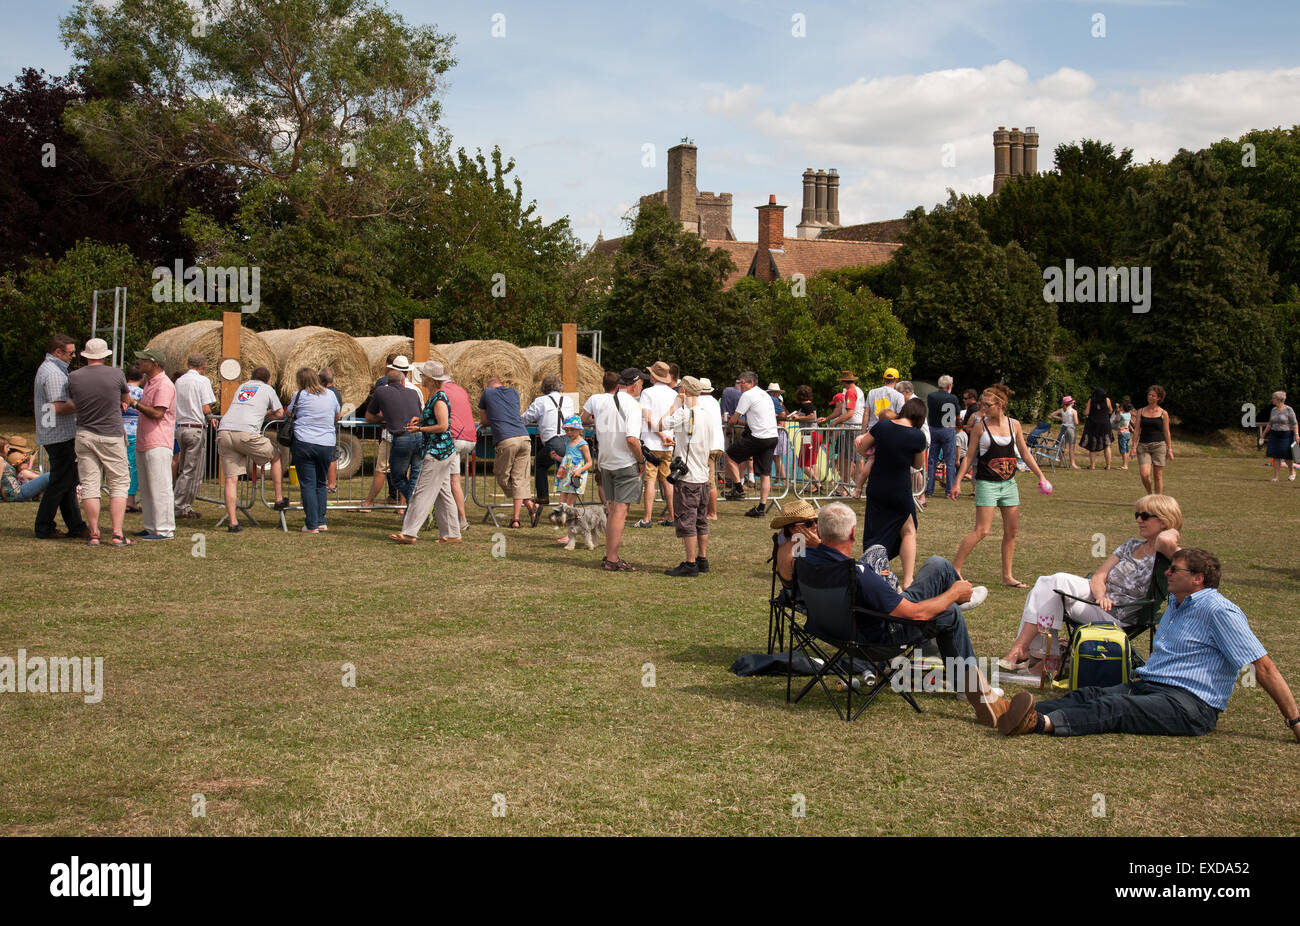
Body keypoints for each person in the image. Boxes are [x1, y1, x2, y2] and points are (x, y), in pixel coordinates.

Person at [998, 548, 1300, 741]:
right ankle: (1010, 712)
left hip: (1191, 705)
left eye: (1174, 570)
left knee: (1114, 706)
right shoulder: (1176, 603)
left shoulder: (1219, 611)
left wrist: (1295, 720)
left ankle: (1040, 723)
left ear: (1198, 579)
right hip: (1152, 686)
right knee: (1089, 693)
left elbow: (1264, 667)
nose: (1166, 573)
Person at [804, 503, 1006, 725]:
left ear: (820, 531)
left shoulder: (806, 560)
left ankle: (958, 594)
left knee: (937, 564)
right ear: (852, 533)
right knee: (950, 612)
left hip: (836, 631)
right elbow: (916, 614)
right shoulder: (859, 575)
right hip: (878, 639)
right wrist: (951, 595)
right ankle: (966, 684)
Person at [997, 494, 1183, 671]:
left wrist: (1171, 529)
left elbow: (1166, 539)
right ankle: (1033, 653)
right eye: (1137, 515)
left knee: (1049, 590)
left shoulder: (1170, 555)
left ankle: (1034, 653)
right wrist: (1101, 596)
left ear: (1164, 521)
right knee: (1049, 582)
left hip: (1118, 616)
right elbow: (1099, 576)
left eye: (1145, 516)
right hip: (1098, 601)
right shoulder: (1131, 545)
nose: (1138, 520)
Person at [948, 384, 1052, 589]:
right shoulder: (980, 426)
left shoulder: (1015, 425)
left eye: (987, 405)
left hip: (1009, 484)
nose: (983, 409)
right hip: (987, 483)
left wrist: (1041, 476)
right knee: (982, 531)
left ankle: (1007, 576)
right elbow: (969, 456)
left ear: (1000, 405)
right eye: (981, 405)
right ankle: (954, 570)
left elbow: (1024, 453)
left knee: (1011, 532)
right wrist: (958, 481)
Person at [63, 338, 131, 546]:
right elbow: (126, 400)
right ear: (104, 355)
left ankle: (94, 532)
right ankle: (117, 533)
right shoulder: (116, 374)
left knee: (89, 485)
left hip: (84, 434)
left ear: (85, 355)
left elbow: (73, 401)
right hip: (111, 434)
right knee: (118, 483)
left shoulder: (73, 377)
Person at [858, 396, 928, 588]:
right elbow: (918, 464)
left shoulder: (883, 426)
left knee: (874, 531)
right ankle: (908, 579)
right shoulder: (917, 436)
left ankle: (872, 570)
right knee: (909, 531)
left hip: (878, 487)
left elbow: (863, 448)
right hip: (900, 489)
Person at [391, 361, 461, 544]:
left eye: (423, 375)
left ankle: (409, 532)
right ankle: (452, 534)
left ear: (430, 379)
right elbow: (435, 420)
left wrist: (420, 429)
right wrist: (421, 419)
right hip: (443, 452)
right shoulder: (435, 396)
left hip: (438, 453)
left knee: (421, 493)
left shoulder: (439, 398)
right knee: (443, 494)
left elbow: (443, 426)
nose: (421, 377)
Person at [582, 368, 643, 571]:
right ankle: (612, 558)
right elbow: (632, 439)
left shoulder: (601, 400)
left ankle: (610, 555)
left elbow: (586, 418)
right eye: (641, 384)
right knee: (619, 511)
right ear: (634, 385)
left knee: (612, 509)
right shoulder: (633, 405)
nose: (642, 387)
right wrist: (642, 460)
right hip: (624, 462)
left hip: (606, 461)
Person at [661, 376, 721, 577]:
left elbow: (662, 423)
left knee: (687, 521)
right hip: (703, 475)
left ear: (684, 392)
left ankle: (690, 563)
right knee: (701, 520)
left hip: (688, 478)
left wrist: (676, 404)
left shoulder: (684, 413)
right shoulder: (706, 413)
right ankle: (702, 559)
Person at [215, 366, 288, 532]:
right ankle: (278, 498)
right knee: (276, 456)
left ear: (251, 377)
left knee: (231, 480)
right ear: (268, 380)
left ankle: (233, 523)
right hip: (246, 432)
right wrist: (265, 414)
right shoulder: (268, 389)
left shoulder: (242, 386)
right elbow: (279, 413)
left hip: (224, 431)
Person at [33, 334, 89, 540]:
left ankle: (76, 526)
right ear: (58, 352)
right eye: (71, 352)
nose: (74, 356)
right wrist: (85, 402)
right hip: (59, 435)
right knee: (60, 483)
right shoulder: (54, 373)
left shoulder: (52, 370)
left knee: (67, 483)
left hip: (56, 433)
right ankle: (44, 526)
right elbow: (58, 406)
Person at [361, 355, 423, 510]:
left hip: (396, 437)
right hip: (418, 436)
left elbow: (369, 417)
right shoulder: (415, 391)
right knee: (413, 475)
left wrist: (385, 417)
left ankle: (418, 506)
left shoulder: (382, 390)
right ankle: (409, 507)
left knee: (392, 474)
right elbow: (420, 414)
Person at [129, 347, 177, 541]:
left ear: (154, 363)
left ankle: (165, 529)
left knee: (161, 486)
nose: (139, 363)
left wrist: (134, 403)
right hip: (145, 441)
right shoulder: (150, 383)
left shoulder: (164, 385)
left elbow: (158, 413)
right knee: (147, 487)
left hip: (158, 441)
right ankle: (151, 526)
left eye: (143, 360)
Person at [286, 367, 342, 533]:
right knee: (320, 483)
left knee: (308, 484)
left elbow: (288, 413)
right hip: (326, 442)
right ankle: (321, 520)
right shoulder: (330, 394)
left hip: (304, 441)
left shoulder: (299, 395)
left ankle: (311, 524)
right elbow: (337, 415)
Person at [478, 376, 538, 529]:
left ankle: (527, 505)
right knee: (519, 479)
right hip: (524, 438)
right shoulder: (514, 392)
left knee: (501, 475)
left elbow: (484, 420)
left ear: (489, 385)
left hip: (506, 439)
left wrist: (495, 419)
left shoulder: (487, 393)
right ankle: (518, 517)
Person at [725, 371, 780, 517]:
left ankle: (738, 488)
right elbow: (753, 419)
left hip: (759, 437)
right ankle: (761, 508)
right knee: (765, 474)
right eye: (740, 382)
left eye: (742, 382)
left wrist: (729, 420)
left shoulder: (747, 395)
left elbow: (734, 419)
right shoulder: (764, 395)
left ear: (751, 383)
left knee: (729, 455)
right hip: (772, 436)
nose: (740, 385)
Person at [173, 354, 217, 519]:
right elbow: (205, 406)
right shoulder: (202, 381)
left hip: (181, 427)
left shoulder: (179, 381)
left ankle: (184, 505)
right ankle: (178, 506)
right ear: (204, 365)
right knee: (192, 470)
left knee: (185, 468)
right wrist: (211, 417)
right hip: (195, 427)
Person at [636, 361, 678, 528]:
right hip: (668, 442)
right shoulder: (673, 394)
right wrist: (665, 436)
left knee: (650, 481)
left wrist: (660, 434)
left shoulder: (647, 393)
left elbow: (647, 418)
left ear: (653, 376)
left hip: (652, 442)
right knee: (667, 480)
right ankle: (673, 516)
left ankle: (647, 518)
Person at [522, 373, 574, 507]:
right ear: (559, 387)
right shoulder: (568, 400)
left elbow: (527, 418)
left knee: (540, 463)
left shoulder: (541, 401)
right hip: (570, 441)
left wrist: (513, 420)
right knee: (568, 471)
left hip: (554, 442)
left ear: (543, 388)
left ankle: (543, 496)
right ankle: (568, 503)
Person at [442, 366, 477, 532]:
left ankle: (459, 519)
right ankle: (459, 519)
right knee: (454, 479)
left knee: (450, 480)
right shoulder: (461, 390)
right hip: (470, 437)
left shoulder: (440, 391)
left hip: (454, 438)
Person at [769, 499, 822, 592]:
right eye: (809, 523)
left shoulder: (790, 545)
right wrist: (821, 546)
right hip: (808, 599)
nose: (816, 526)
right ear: (793, 529)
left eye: (816, 521)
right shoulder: (799, 555)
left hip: (793, 597)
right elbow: (837, 567)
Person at [1135, 384, 1174, 494]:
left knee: (1158, 476)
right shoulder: (1140, 411)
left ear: (1159, 398)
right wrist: (1133, 446)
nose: (1150, 397)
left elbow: (1167, 432)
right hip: (1143, 446)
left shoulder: (1163, 413)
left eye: (1153, 395)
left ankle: (1158, 500)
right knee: (1144, 474)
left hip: (1159, 445)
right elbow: (1137, 430)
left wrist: (1169, 449)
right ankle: (1150, 494)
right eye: (1149, 394)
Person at [553, 414, 593, 520]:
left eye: (572, 430)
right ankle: (569, 519)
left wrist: (580, 470)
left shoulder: (583, 444)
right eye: (567, 430)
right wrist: (557, 457)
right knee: (562, 501)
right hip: (566, 475)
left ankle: (572, 521)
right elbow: (567, 460)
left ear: (579, 429)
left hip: (575, 476)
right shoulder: (568, 442)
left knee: (570, 503)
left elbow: (589, 463)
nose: (569, 433)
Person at [926, 375, 960, 498]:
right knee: (950, 461)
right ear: (949, 386)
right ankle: (949, 490)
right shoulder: (953, 398)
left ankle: (929, 490)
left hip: (934, 429)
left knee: (932, 461)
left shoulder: (931, 396)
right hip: (947, 429)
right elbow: (956, 414)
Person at [697, 377, 726, 520]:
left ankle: (712, 513)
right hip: (717, 444)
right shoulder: (714, 401)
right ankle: (706, 510)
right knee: (707, 479)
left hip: (707, 445)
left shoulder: (699, 401)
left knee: (709, 481)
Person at [122, 363, 144, 512]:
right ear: (142, 376)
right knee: (134, 467)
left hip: (119, 430)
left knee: (121, 466)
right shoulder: (142, 393)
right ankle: (130, 499)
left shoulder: (120, 391)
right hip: (135, 432)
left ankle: (119, 496)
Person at [1264, 390, 1298, 482]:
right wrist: (1263, 434)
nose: (1272, 400)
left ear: (1279, 399)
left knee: (1287, 457)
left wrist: (1297, 436)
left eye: (1274, 398)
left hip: (1286, 435)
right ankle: (1276, 477)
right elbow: (1270, 423)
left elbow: (1294, 424)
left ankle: (1292, 471)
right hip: (1275, 434)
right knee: (1276, 456)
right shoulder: (1273, 410)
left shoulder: (1288, 410)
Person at [318, 367, 343, 492]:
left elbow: (336, 414)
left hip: (329, 429)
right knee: (330, 457)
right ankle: (329, 484)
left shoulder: (330, 393)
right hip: (330, 428)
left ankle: (331, 484)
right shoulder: (335, 392)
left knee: (331, 457)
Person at [1079, 386, 1114, 469]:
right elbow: (1111, 410)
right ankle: (1108, 465)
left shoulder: (1091, 400)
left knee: (1093, 445)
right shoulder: (1107, 400)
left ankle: (1092, 465)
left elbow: (1086, 412)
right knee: (1107, 445)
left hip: (1093, 424)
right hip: (1105, 424)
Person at [1048, 396, 1082, 469]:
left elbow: (1051, 415)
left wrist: (1060, 418)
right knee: (1071, 447)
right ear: (1070, 403)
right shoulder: (1073, 411)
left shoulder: (1062, 410)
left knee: (1061, 446)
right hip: (1070, 429)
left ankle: (1061, 462)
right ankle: (1072, 463)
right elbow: (1076, 422)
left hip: (1063, 428)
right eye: (1072, 402)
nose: (1074, 403)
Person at [1114, 396, 1134, 471]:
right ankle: (1125, 464)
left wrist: (1118, 411)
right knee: (1126, 449)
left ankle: (1124, 465)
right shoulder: (1129, 414)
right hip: (1127, 433)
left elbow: (1115, 421)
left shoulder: (1121, 415)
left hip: (1122, 434)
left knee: (1123, 450)